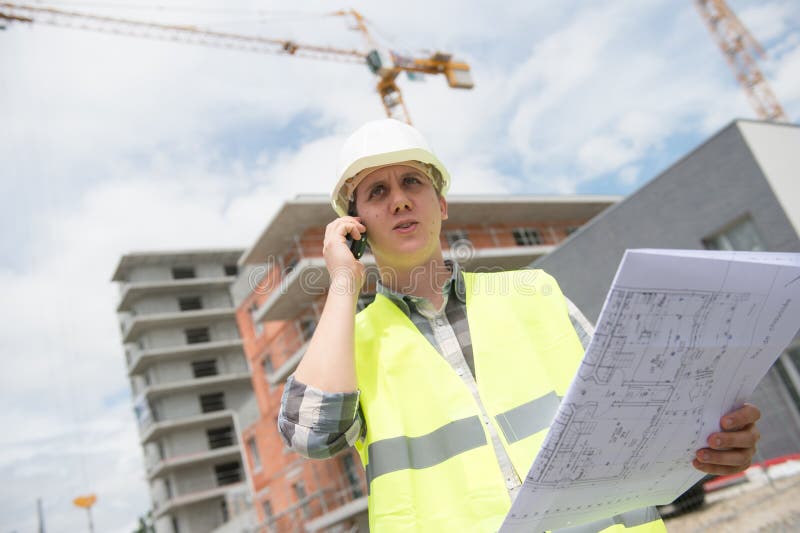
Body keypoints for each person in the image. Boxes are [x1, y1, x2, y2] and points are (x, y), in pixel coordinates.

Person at [278, 119, 761, 532]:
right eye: (378, 192)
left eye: (412, 182)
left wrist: (709, 445)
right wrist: (344, 282)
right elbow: (309, 434)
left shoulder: (535, 294)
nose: (400, 201)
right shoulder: (352, 341)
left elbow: (631, 422)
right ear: (355, 225)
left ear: (441, 205)